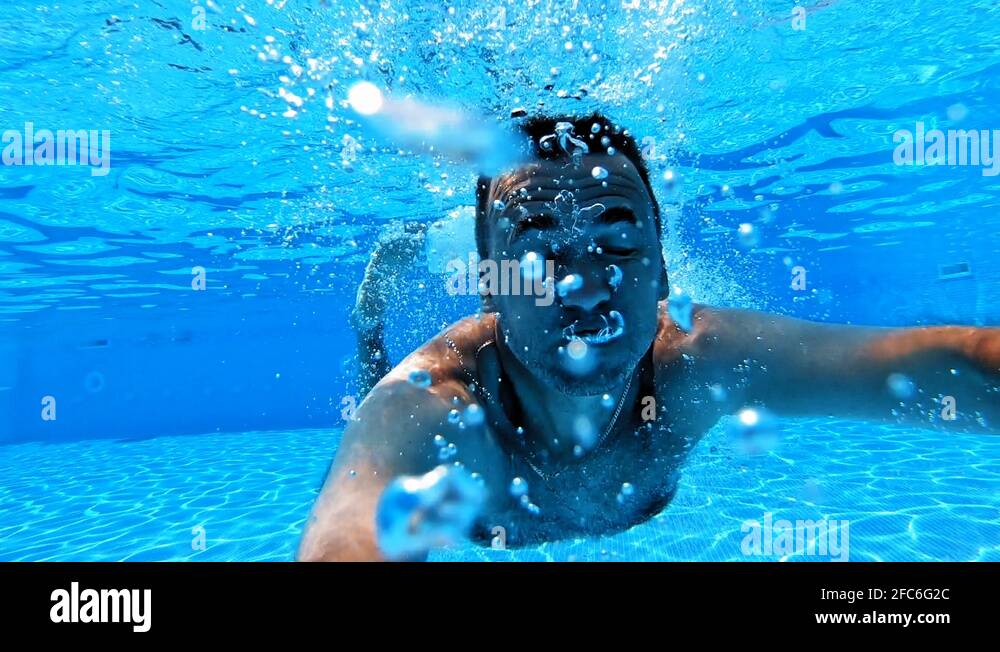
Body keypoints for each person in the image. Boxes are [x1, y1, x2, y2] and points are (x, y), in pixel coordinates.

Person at [298, 112, 1000, 561]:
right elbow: (352, 530)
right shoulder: (438, 406)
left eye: (621, 244)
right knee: (373, 376)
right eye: (538, 249)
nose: (585, 285)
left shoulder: (695, 363)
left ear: (663, 272)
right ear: (490, 285)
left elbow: (950, 368)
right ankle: (372, 309)